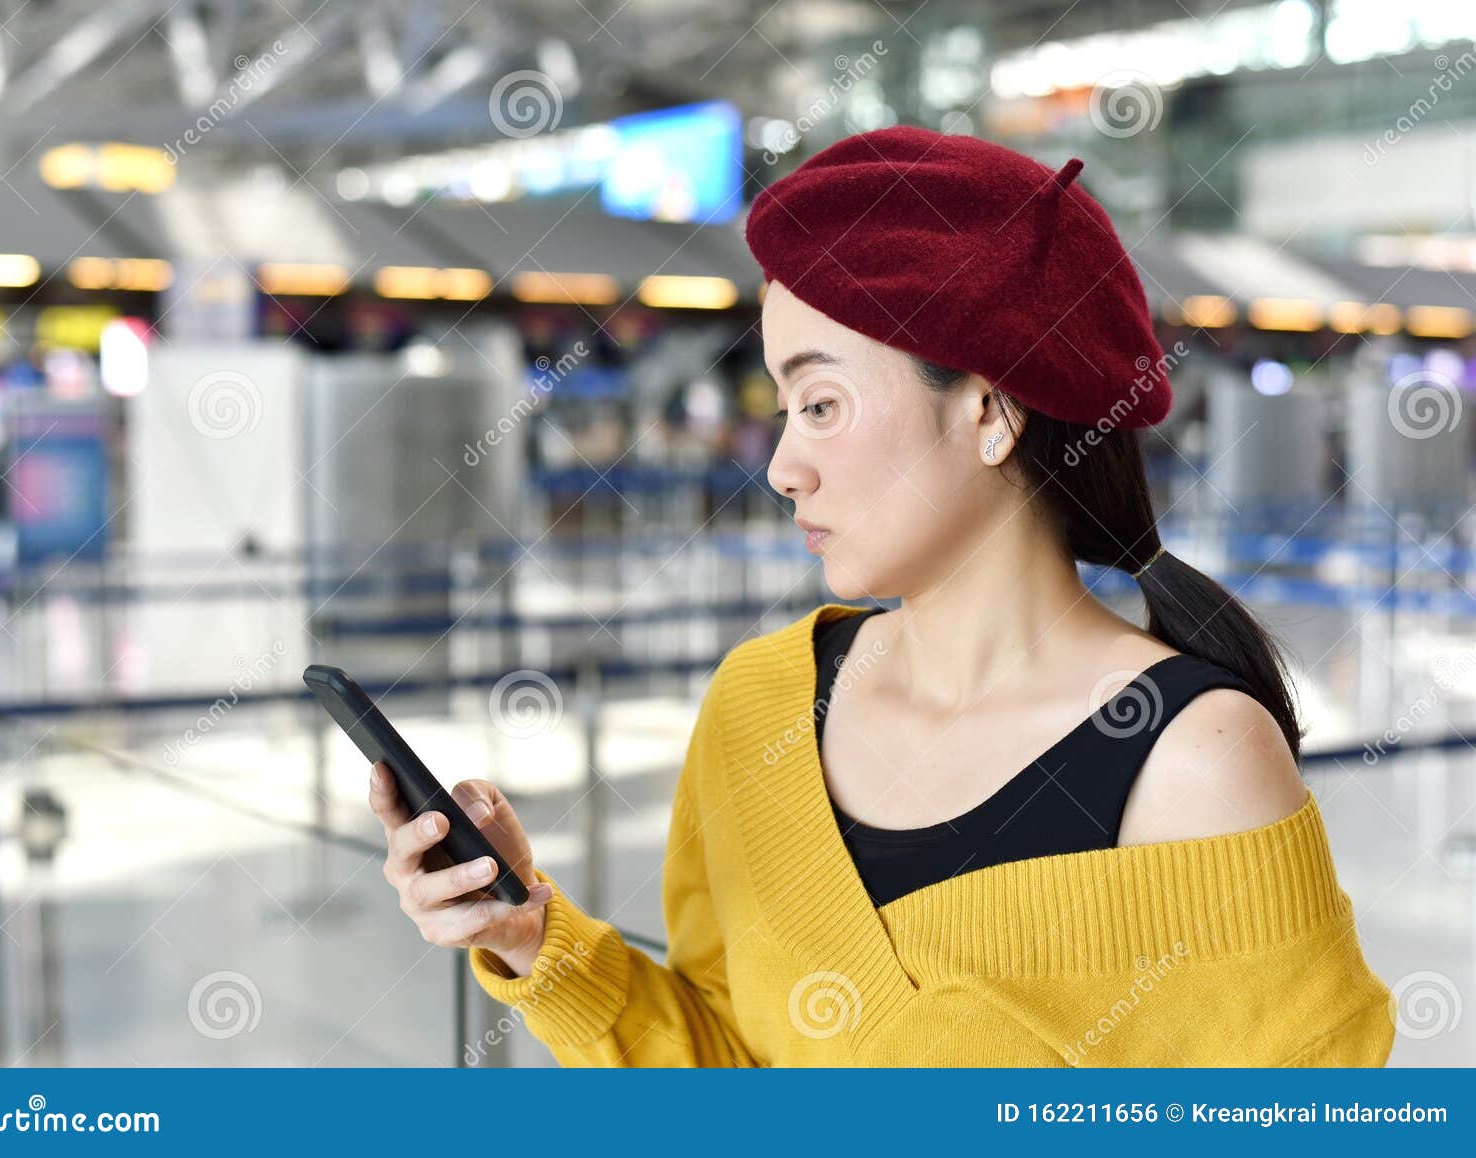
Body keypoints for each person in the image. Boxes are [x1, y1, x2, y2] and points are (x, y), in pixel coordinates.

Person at [368, 126, 1397, 1067]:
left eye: (820, 404)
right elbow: (727, 1064)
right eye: (782, 408)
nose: (780, 467)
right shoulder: (759, 707)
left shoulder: (1197, 763)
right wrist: (529, 933)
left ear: (991, 414)